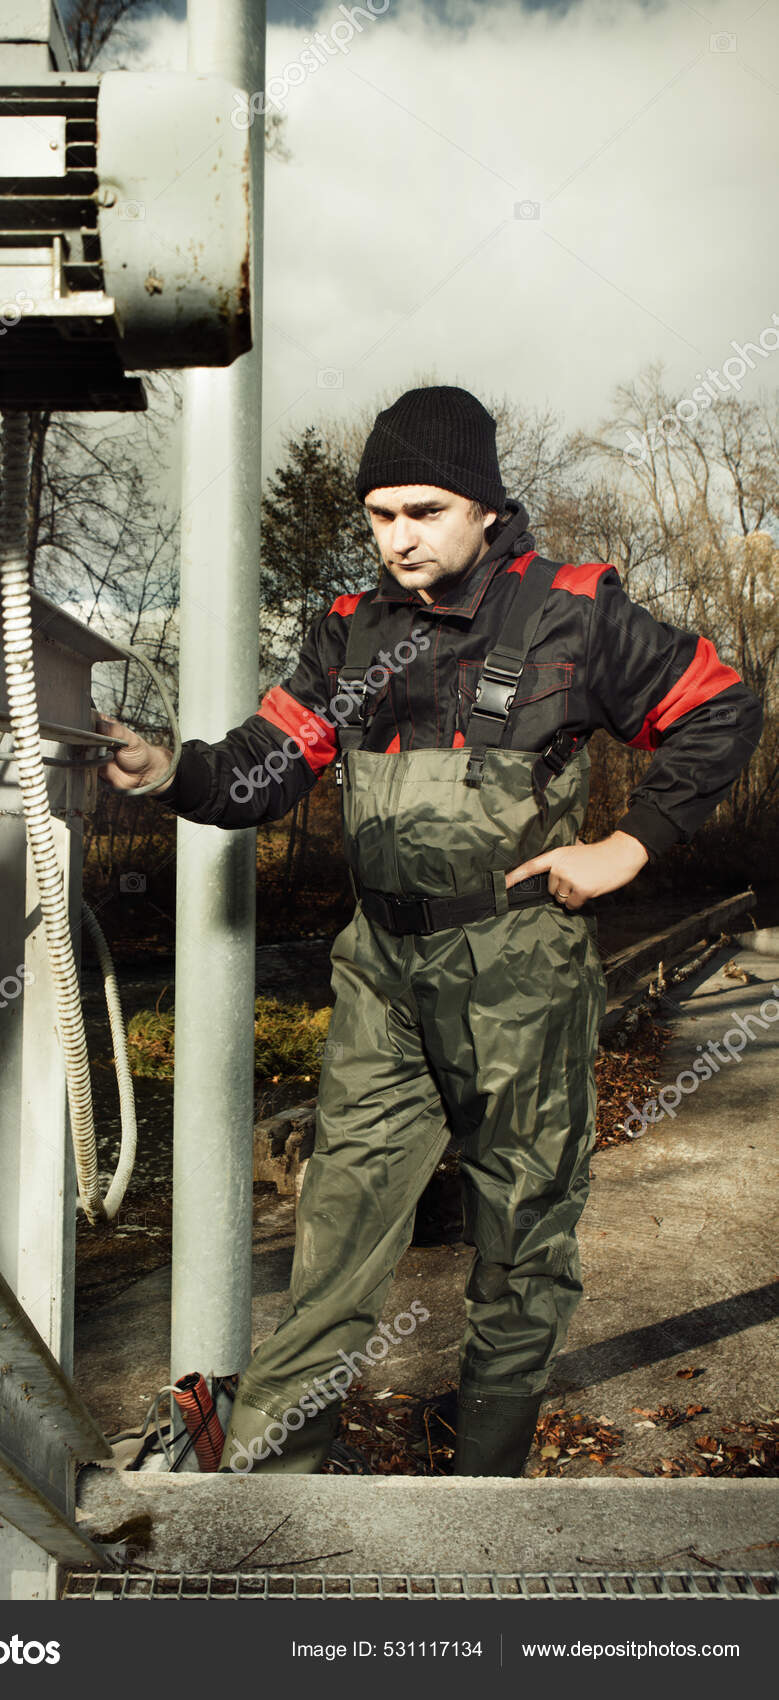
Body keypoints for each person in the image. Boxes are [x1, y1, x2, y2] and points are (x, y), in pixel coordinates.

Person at [97, 385, 764, 1477]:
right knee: (339, 1226)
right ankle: (273, 1488)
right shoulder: (349, 633)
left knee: (521, 1232)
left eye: (423, 511)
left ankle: (484, 1486)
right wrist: (173, 769)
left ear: (486, 511)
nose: (397, 537)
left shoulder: (572, 613)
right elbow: (265, 769)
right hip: (382, 972)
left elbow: (720, 705)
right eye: (379, 515)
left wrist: (629, 844)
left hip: (520, 967)